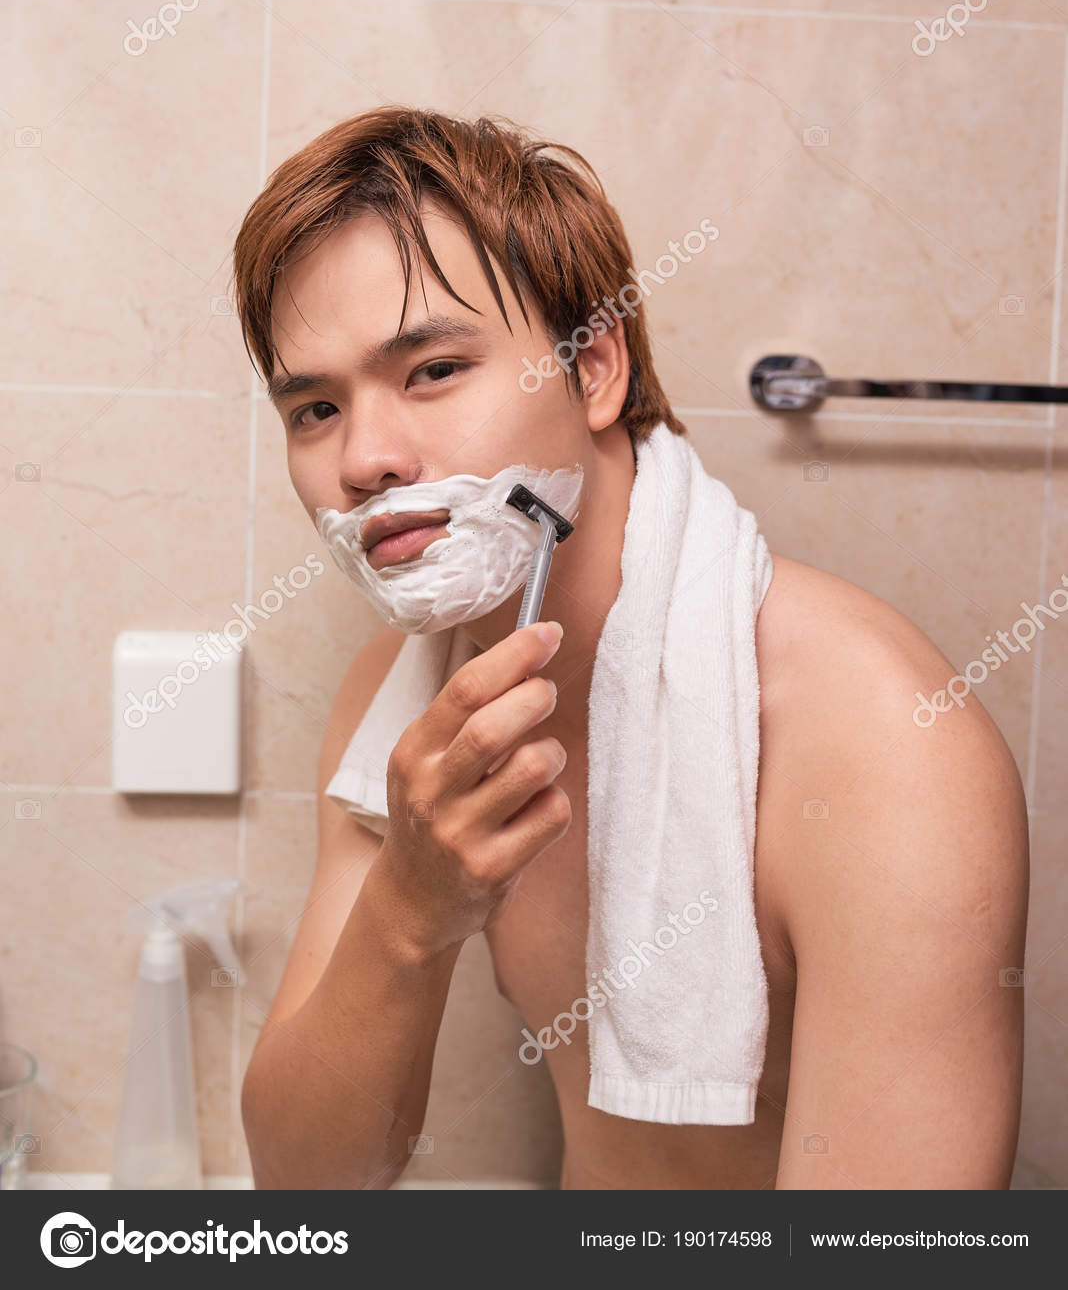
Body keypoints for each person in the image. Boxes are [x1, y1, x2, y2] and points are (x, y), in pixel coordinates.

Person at [235, 106, 1027, 1191]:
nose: (366, 458)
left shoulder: (880, 738)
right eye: (317, 407)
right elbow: (306, 1186)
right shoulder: (406, 703)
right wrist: (406, 913)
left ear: (593, 366)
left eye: (431, 372)